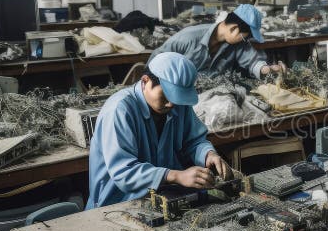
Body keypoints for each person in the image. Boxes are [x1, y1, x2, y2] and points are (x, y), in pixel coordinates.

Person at [87, 52, 233, 209]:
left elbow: (193, 141)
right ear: (145, 81)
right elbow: (124, 171)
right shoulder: (119, 110)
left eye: (176, 98)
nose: (171, 104)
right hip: (117, 204)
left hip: (162, 194)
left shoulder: (177, 104)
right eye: (166, 96)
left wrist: (207, 154)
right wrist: (176, 175)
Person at [149, 4, 284, 79]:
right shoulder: (188, 38)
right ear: (234, 29)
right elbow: (155, 63)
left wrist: (268, 69)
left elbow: (252, 61)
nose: (245, 41)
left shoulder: (237, 44)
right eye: (245, 37)